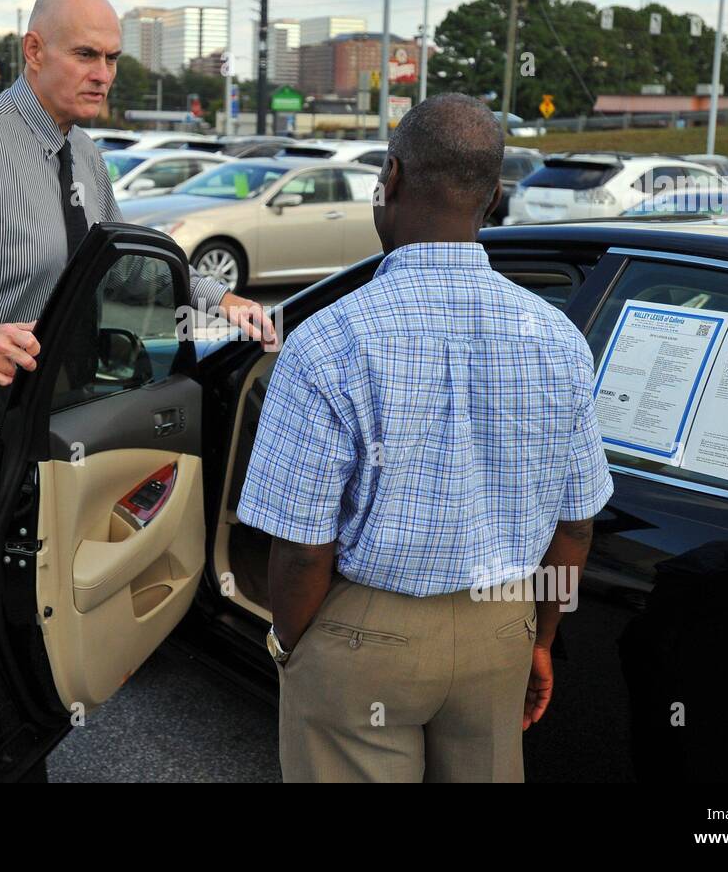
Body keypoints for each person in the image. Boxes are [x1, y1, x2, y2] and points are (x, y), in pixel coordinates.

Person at [0, 0, 274, 782]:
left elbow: (108, 267)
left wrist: (210, 297)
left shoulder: (83, 153)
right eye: (87, 54)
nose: (103, 73)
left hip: (44, 415)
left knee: (24, 621)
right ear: (35, 50)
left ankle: (9, 763)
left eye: (114, 58)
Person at [237, 93, 612, 782]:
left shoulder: (327, 339)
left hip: (363, 636)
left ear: (393, 177)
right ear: (494, 195)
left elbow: (299, 549)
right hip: (501, 628)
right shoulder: (559, 339)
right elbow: (576, 527)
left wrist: (293, 643)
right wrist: (542, 635)